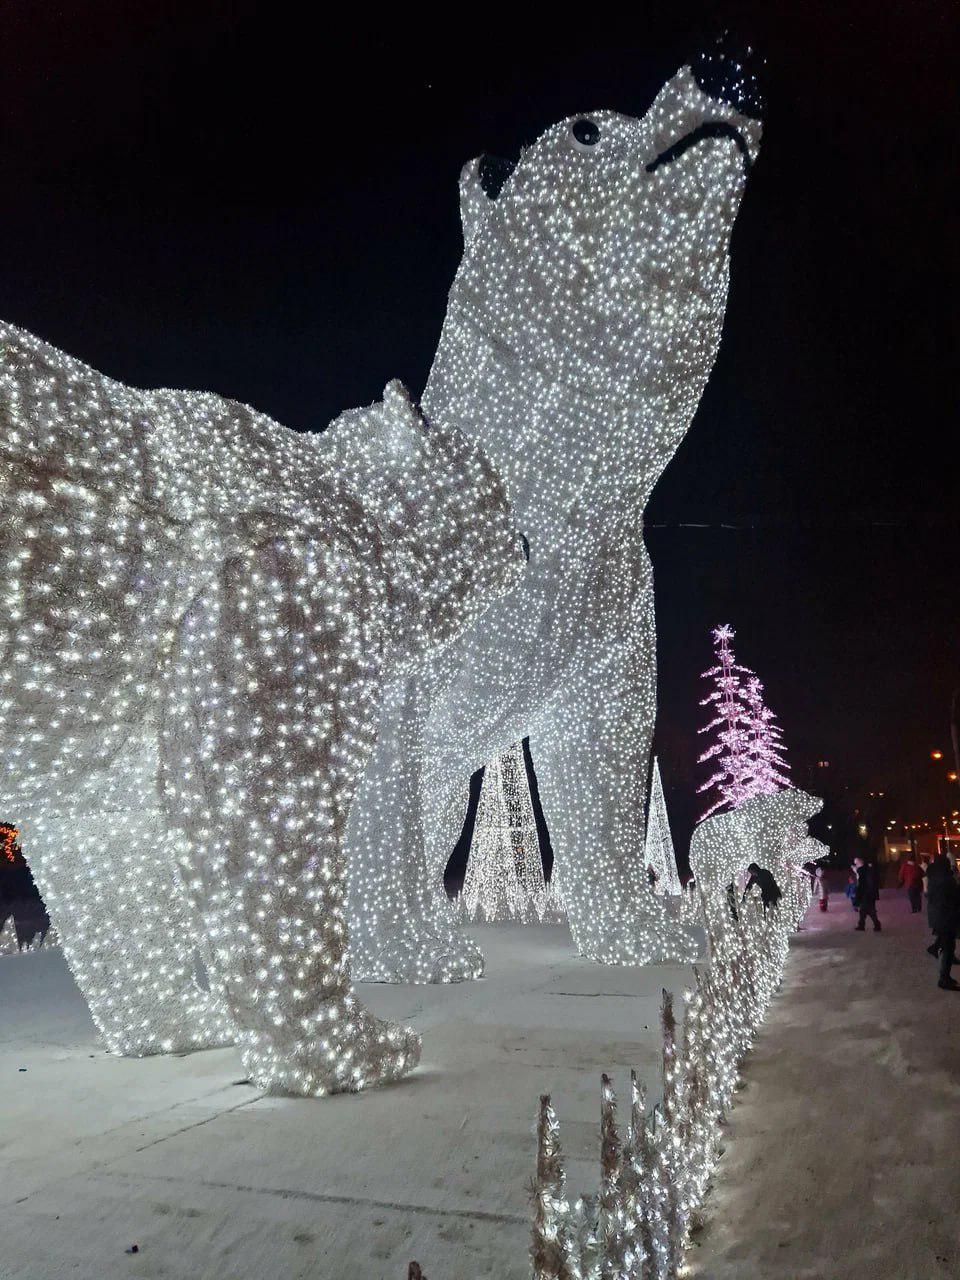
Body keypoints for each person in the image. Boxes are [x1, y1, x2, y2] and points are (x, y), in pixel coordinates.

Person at [925, 852, 960, 990]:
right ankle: (944, 979)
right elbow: (955, 897)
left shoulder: (934, 877)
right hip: (946, 917)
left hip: (938, 916)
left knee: (946, 944)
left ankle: (935, 951)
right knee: (948, 948)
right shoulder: (946, 880)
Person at [852, 856, 881, 932]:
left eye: (856, 864)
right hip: (869, 894)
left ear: (859, 863)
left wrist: (858, 895)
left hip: (866, 894)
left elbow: (861, 885)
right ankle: (863, 925)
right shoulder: (868, 870)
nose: (855, 865)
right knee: (864, 911)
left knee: (868, 910)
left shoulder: (862, 871)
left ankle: (875, 925)